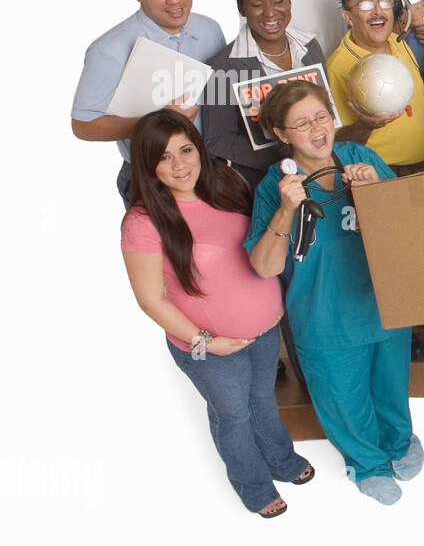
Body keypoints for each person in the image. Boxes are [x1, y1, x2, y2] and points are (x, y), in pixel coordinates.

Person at [121, 111, 312, 518]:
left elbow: (262, 244)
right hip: (206, 346)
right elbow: (151, 299)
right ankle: (254, 486)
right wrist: (205, 342)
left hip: (263, 329)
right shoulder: (142, 221)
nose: (180, 165)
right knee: (234, 415)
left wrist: (273, 307)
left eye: (186, 150)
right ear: (147, 164)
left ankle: (282, 460)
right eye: (165, 157)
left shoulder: (229, 183)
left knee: (263, 399)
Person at [245, 80, 420, 505]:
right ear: (282, 135)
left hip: (382, 303)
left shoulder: (361, 158)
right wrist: (287, 209)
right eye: (302, 124)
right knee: (345, 399)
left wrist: (372, 193)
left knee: (392, 386)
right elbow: (265, 266)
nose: (317, 129)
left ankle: (398, 443)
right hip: (325, 319)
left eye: (322, 116)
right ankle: (367, 464)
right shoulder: (274, 187)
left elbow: (412, 229)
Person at [72, 0, 225, 204]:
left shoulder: (210, 29)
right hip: (150, 177)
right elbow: (83, 126)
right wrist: (155, 120)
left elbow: (221, 97)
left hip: (210, 169)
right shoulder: (108, 49)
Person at [202, 0, 328, 185]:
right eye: (257, 5)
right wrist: (290, 156)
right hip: (263, 185)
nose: (270, 13)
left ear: (289, 0)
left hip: (321, 176)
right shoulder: (223, 66)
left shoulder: (310, 47)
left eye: (278, 1)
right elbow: (217, 140)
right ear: (241, 8)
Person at [325, 0, 424, 175]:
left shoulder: (398, 43)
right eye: (366, 5)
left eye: (384, 2)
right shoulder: (336, 67)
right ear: (348, 17)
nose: (378, 11)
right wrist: (366, 125)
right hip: (381, 174)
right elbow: (332, 144)